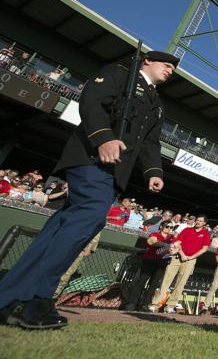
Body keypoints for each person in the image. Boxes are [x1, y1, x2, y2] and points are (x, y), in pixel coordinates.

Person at [0, 50, 177, 330]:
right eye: (165, 65)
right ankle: (33, 297)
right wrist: (103, 137)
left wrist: (153, 171)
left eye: (172, 68)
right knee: (90, 217)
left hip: (113, 171)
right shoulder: (121, 74)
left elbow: (149, 142)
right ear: (147, 61)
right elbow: (92, 101)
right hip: (91, 158)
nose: (170, 70)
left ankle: (8, 297)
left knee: (62, 225)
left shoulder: (156, 103)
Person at [149, 215, 211, 313]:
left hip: (190, 260)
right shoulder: (187, 230)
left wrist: (191, 257)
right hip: (177, 257)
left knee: (180, 283)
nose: (198, 222)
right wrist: (182, 254)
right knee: (166, 280)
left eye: (200, 221)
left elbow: (205, 248)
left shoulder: (206, 234)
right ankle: (155, 304)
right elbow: (177, 242)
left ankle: (170, 306)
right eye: (197, 220)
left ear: (204, 223)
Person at [124, 222, 176, 310]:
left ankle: (145, 305)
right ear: (161, 226)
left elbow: (175, 249)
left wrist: (172, 247)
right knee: (141, 281)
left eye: (171, 227)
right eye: (167, 226)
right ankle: (132, 303)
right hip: (150, 260)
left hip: (162, 262)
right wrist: (166, 245)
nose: (169, 228)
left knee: (153, 284)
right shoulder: (155, 234)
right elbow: (152, 241)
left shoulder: (170, 239)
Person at [53, 233, 101, 299]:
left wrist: (91, 248)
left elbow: (97, 228)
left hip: (80, 247)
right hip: (63, 241)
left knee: (66, 275)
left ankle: (51, 298)